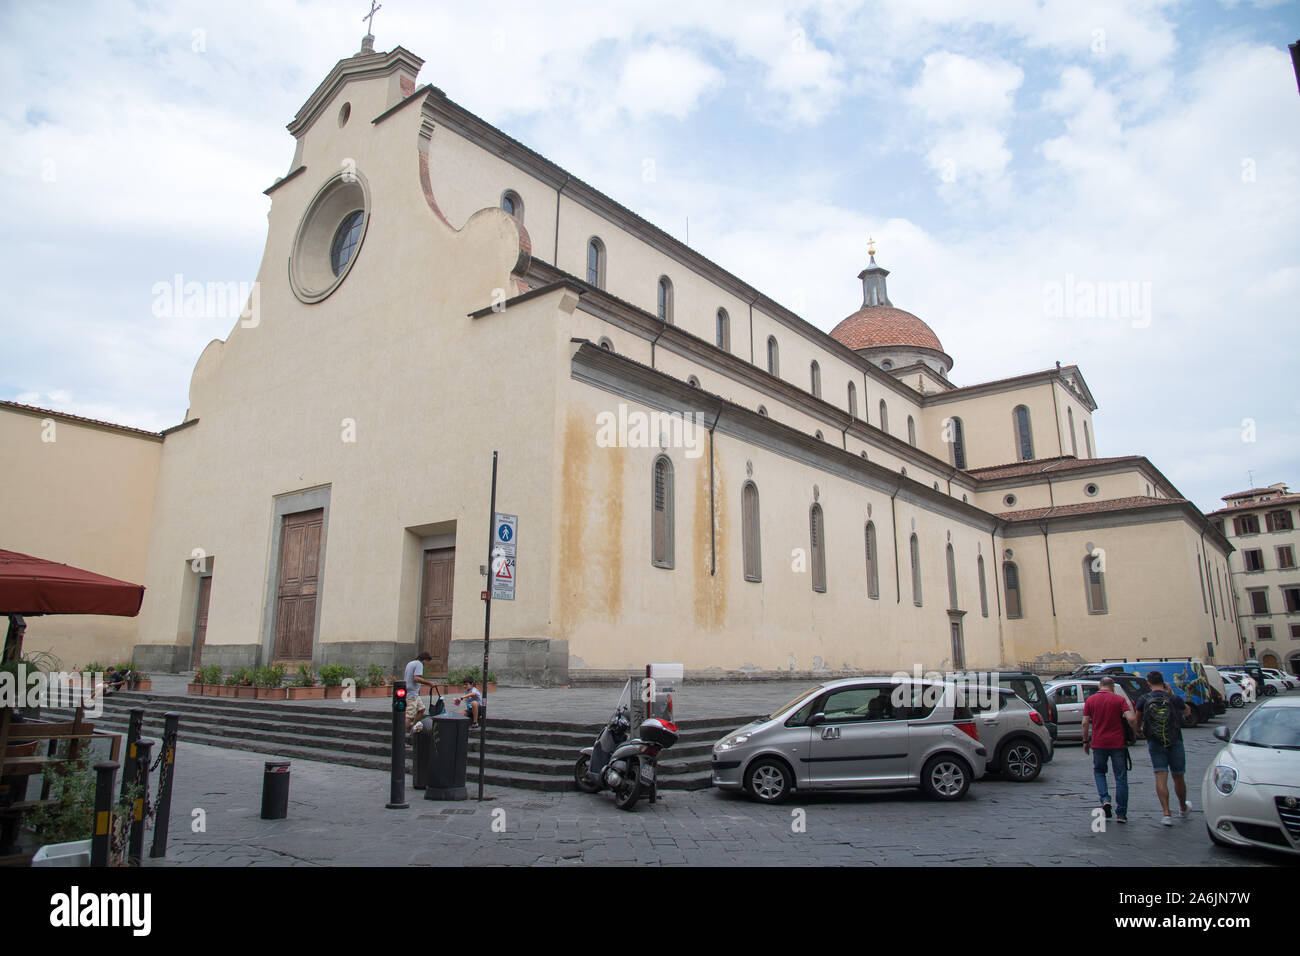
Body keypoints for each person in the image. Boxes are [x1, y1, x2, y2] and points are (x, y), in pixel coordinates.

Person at [1135, 670, 1193, 826]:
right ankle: (1182, 808)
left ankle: (1166, 814)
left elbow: (1137, 720)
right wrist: (1171, 692)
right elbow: (1187, 711)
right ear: (1163, 682)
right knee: (1178, 775)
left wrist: (1138, 732)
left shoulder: (1143, 699)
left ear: (1148, 683)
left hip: (1155, 741)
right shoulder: (1172, 698)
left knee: (1161, 775)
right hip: (1174, 739)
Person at [1081, 677, 1138, 823]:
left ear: (1100, 686)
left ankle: (1105, 799)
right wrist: (1135, 731)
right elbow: (1131, 718)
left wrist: (1086, 741)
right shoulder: (1119, 700)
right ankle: (1121, 813)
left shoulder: (1091, 700)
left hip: (1099, 743)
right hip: (1117, 743)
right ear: (1112, 687)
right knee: (1121, 777)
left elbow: (1085, 723)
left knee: (1099, 772)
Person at [403, 652, 442, 733]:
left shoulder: (410, 663)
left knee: (422, 709)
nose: (426, 664)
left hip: (412, 693)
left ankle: (412, 731)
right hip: (412, 694)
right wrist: (430, 683)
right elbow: (416, 678)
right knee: (408, 716)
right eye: (427, 662)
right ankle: (401, 740)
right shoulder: (419, 664)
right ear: (425, 660)